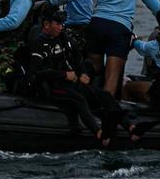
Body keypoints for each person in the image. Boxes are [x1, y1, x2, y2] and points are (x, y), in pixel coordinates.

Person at [47, 0, 160, 99]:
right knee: (112, 76)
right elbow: (157, 9)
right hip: (120, 28)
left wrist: (49, 1)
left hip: (97, 24)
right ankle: (106, 111)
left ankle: (85, 100)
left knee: (94, 68)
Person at [26, 8, 103, 142]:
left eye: (62, 24)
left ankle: (117, 121)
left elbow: (78, 58)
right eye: (58, 24)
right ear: (46, 25)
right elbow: (37, 71)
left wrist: (83, 73)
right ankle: (98, 132)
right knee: (78, 99)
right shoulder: (39, 43)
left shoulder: (63, 38)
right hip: (51, 85)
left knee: (95, 93)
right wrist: (63, 75)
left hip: (67, 82)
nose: (61, 27)